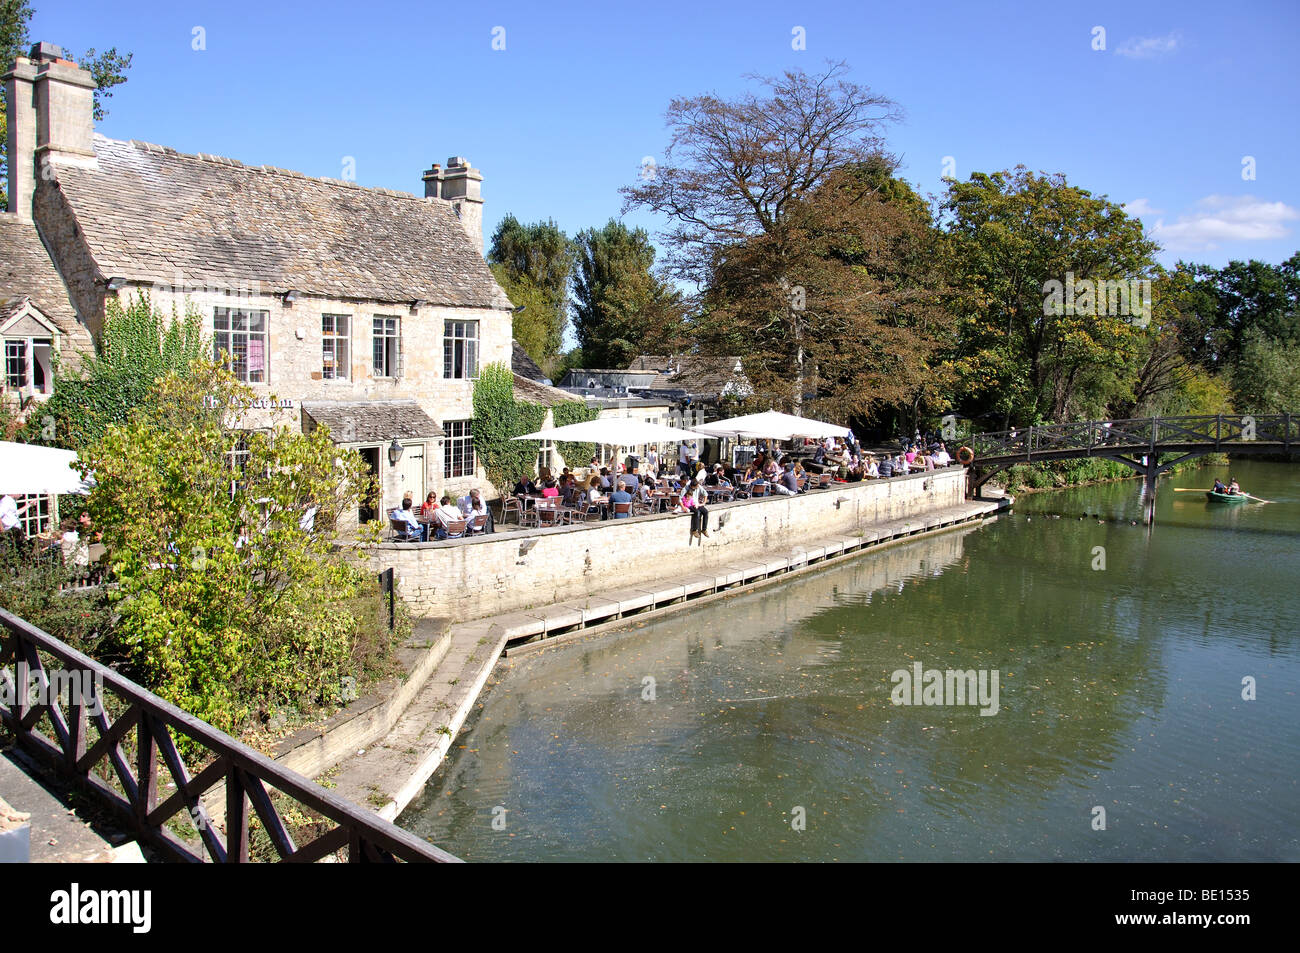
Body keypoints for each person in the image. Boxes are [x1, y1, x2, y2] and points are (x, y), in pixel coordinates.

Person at [688, 473, 710, 539]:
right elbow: (682, 498)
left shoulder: (698, 486)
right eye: (696, 487)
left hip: (697, 504)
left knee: (706, 512)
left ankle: (704, 529)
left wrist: (703, 503)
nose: (697, 487)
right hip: (690, 504)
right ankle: (694, 530)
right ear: (692, 486)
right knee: (697, 512)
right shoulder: (687, 488)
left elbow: (705, 494)